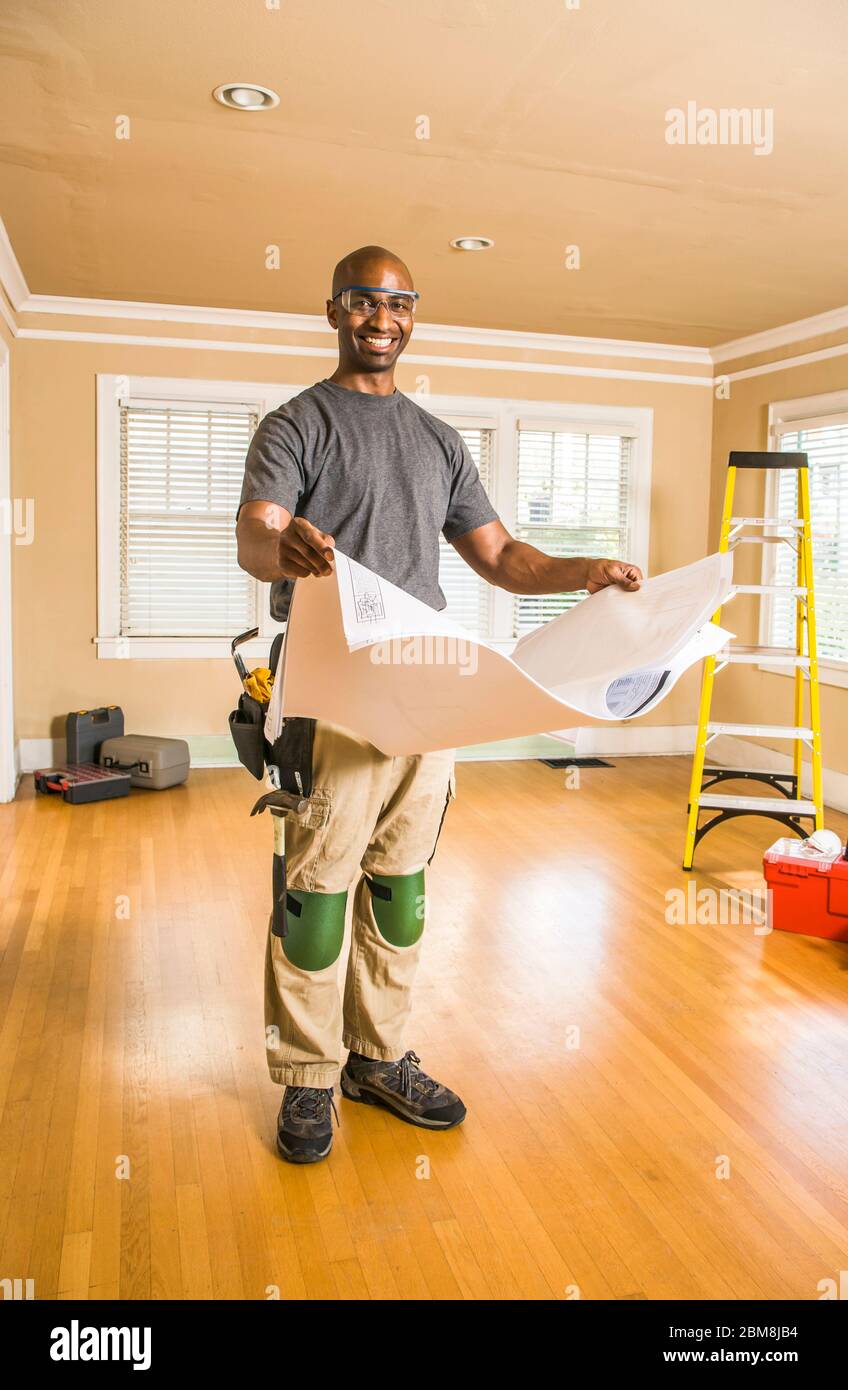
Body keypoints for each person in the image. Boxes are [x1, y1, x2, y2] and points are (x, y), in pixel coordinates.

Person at [236, 245, 643, 1164]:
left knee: (401, 890)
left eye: (400, 302)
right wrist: (284, 544)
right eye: (365, 301)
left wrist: (592, 572)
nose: (383, 316)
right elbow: (255, 532)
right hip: (335, 693)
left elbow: (506, 560)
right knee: (316, 894)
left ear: (414, 315)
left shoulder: (438, 439)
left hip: (431, 691)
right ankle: (306, 1077)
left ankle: (376, 1058)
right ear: (335, 308)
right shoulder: (297, 424)